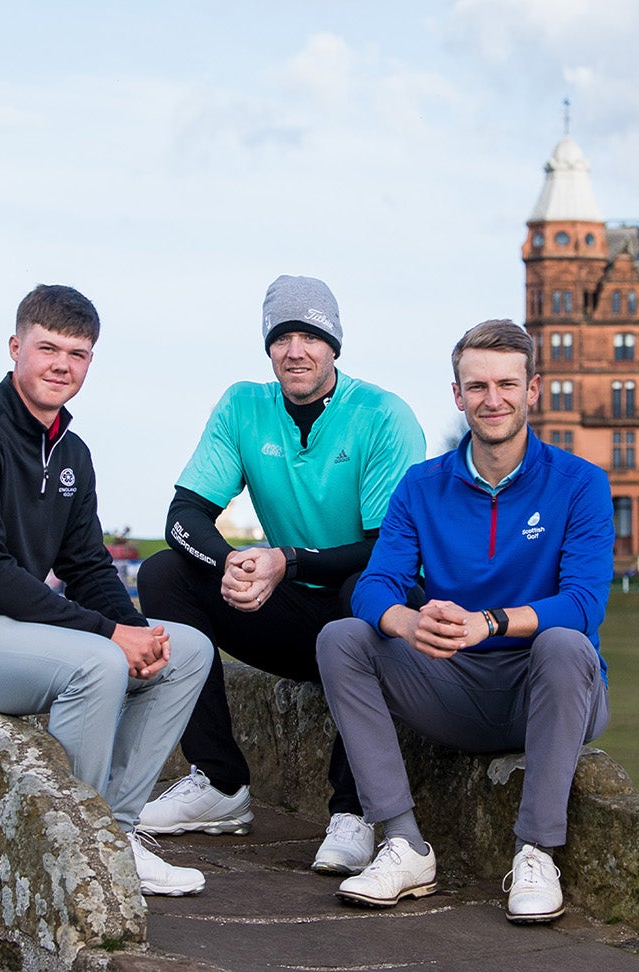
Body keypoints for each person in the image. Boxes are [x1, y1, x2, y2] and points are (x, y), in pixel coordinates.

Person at [0, 284, 214, 897]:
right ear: (15, 348)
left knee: (185, 651)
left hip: (9, 631)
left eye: (77, 354)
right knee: (99, 662)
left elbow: (88, 566)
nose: (62, 365)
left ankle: (114, 837)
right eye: (48, 348)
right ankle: (72, 857)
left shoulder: (72, 453)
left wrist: (135, 631)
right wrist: (109, 635)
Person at [316, 319, 613, 924]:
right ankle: (405, 845)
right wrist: (407, 623)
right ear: (458, 395)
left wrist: (490, 623)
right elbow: (375, 584)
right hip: (453, 688)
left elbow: (585, 603)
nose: (492, 399)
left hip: (547, 690)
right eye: (477, 386)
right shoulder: (421, 486)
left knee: (564, 643)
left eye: (507, 384)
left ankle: (536, 853)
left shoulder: (581, 483)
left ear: (533, 390)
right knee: (342, 637)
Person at [134, 274, 426, 876]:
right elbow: (183, 515)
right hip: (289, 614)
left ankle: (353, 812)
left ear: (334, 345)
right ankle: (220, 783)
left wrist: (286, 559)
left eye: (311, 337)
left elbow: (387, 552)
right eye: (281, 338)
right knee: (163, 574)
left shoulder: (383, 415)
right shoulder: (245, 405)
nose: (295, 351)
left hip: (363, 614)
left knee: (364, 592)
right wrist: (230, 563)